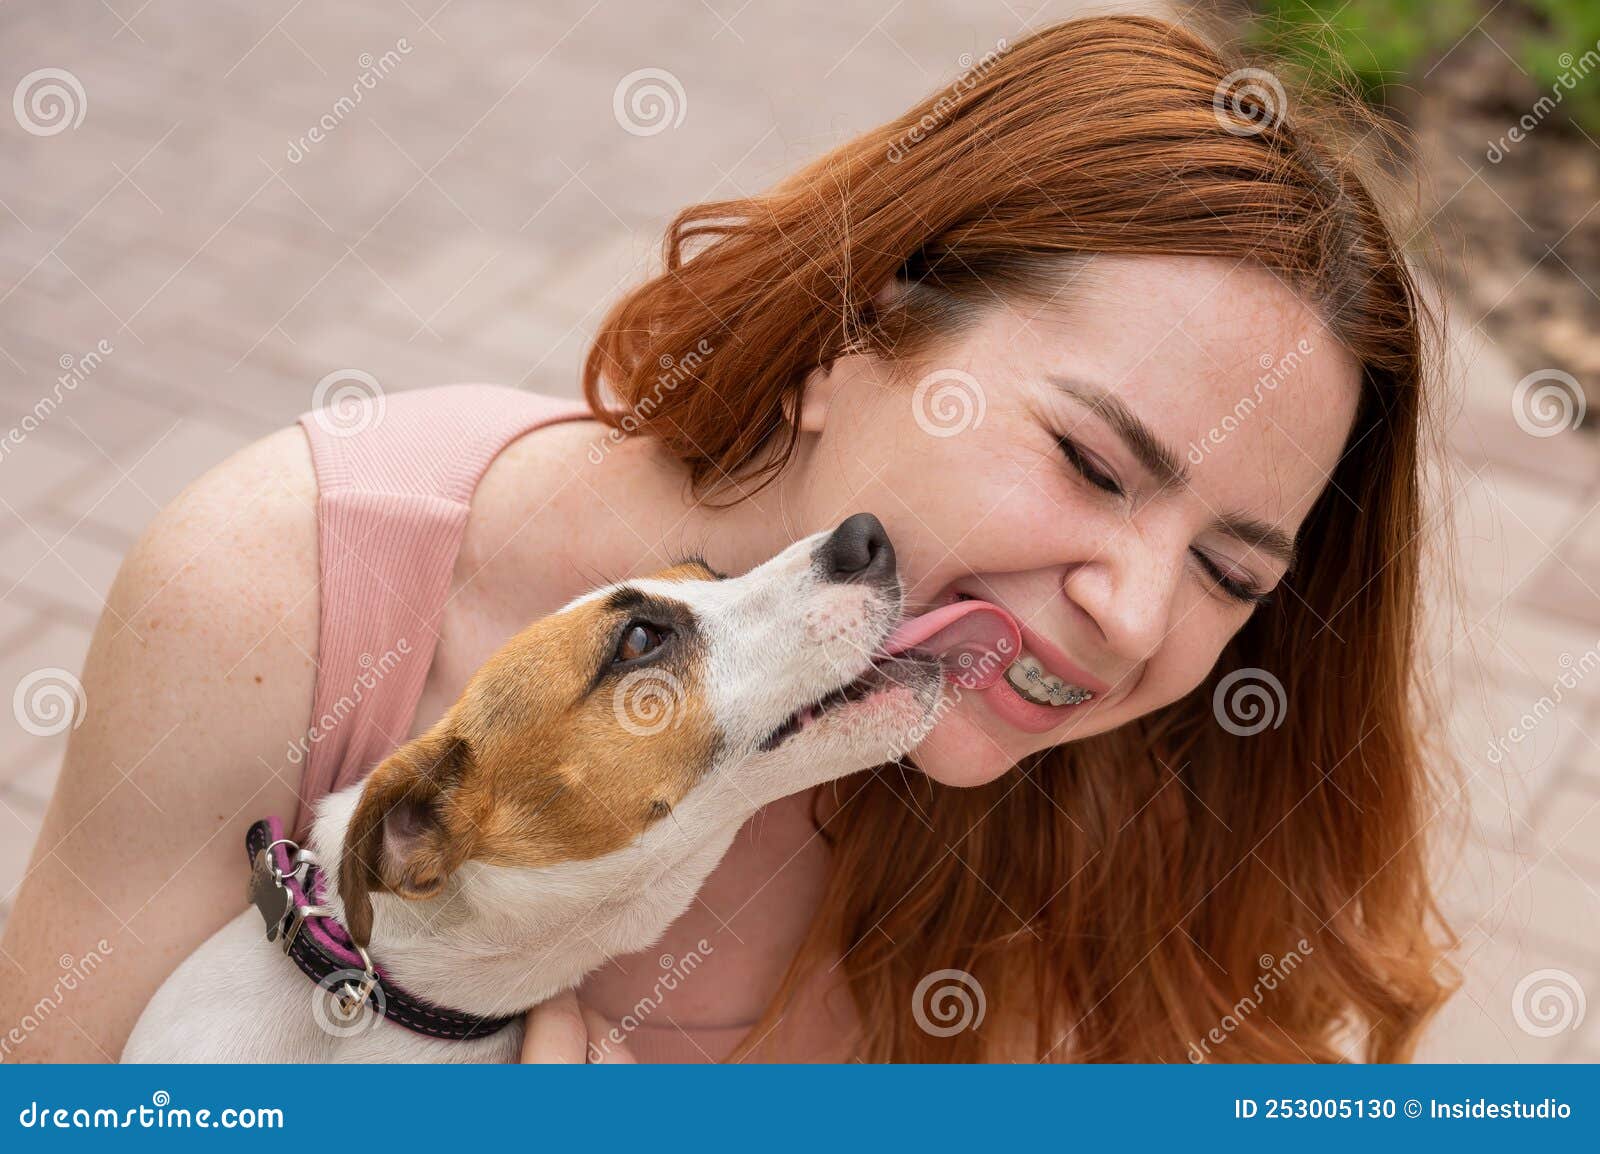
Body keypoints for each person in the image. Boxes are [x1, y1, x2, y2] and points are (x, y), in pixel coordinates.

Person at [1, 14, 1455, 1063]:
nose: (1134, 617)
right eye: (1086, 460)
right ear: (855, 330)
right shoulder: (287, 588)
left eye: (1230, 572)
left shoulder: (1143, 789)